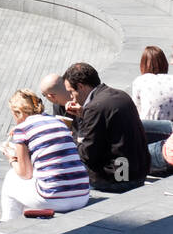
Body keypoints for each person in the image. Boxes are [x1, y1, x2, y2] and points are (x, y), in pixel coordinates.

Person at [0, 91, 92, 221]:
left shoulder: (22, 129)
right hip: (82, 195)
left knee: (11, 178)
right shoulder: (59, 122)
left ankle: (8, 223)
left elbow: (25, 174)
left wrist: (12, 158)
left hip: (53, 199)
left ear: (17, 113)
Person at [63, 62, 150, 192]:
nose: (71, 97)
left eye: (71, 92)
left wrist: (70, 137)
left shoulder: (94, 108)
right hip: (138, 170)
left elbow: (87, 154)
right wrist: (83, 115)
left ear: (80, 86)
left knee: (65, 159)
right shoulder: (120, 95)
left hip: (119, 178)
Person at [131, 46, 173, 175]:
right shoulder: (171, 79)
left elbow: (135, 113)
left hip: (149, 134)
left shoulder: (140, 81)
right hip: (170, 131)